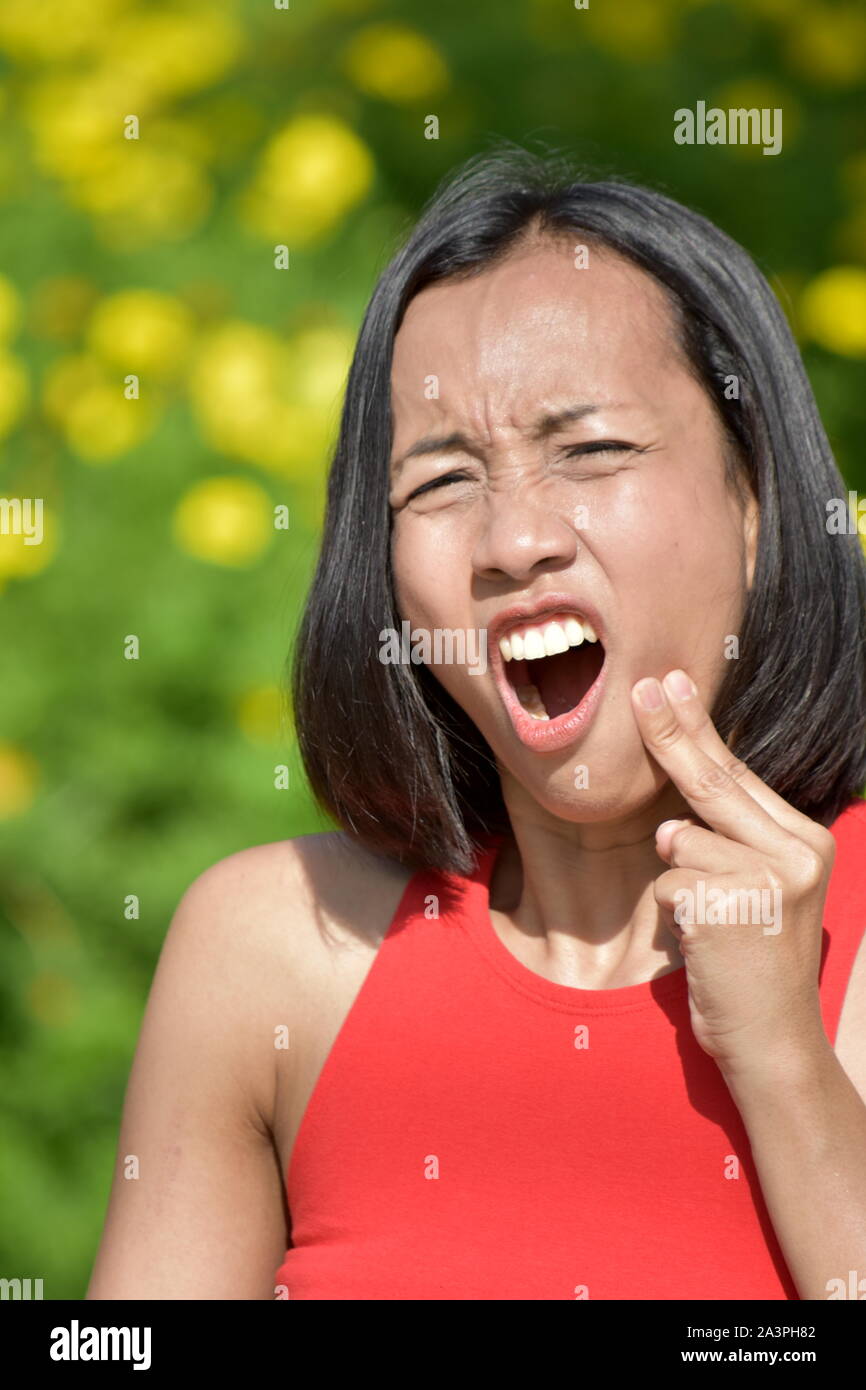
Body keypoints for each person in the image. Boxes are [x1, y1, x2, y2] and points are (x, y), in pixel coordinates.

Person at [87, 147, 866, 1301]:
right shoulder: (267, 953)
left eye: (589, 450)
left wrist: (781, 1059)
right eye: (441, 480)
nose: (512, 541)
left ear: (753, 505)